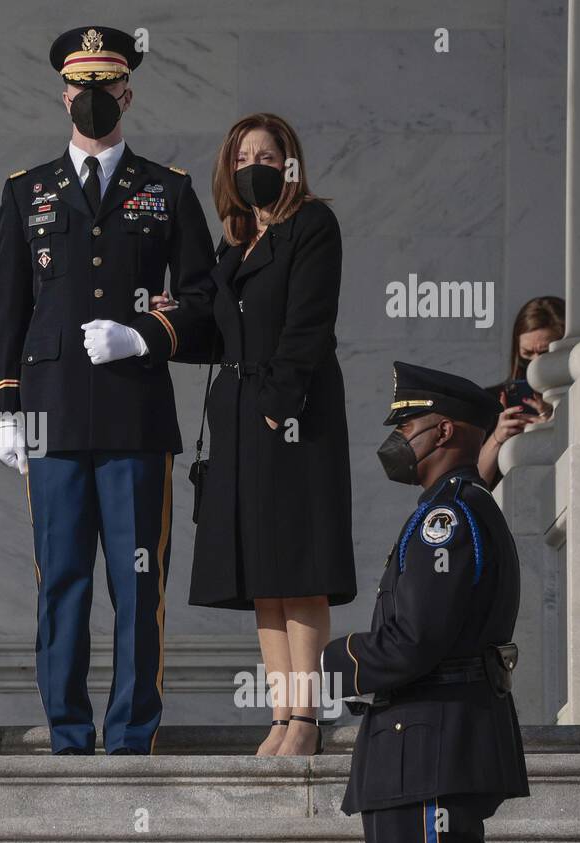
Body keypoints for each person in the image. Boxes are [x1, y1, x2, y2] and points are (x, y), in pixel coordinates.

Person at [0, 26, 216, 755]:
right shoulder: (27, 192)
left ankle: (129, 735)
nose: (92, 99)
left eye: (105, 87)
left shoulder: (168, 190)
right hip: (52, 415)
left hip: (136, 416)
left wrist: (146, 332)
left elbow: (205, 301)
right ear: (64, 94)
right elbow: (8, 305)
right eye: (80, 88)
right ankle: (67, 733)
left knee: (137, 586)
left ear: (127, 91)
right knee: (60, 583)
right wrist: (3, 404)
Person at [157, 113, 356, 756]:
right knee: (263, 579)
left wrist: (277, 406)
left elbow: (308, 324)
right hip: (239, 422)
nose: (255, 165)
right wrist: (173, 324)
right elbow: (223, 335)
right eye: (243, 156)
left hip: (292, 417)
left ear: (290, 163)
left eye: (268, 155)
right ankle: (279, 714)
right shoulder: (234, 243)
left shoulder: (312, 225)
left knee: (300, 570)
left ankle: (306, 719)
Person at [322, 361, 529, 843]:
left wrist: (331, 660)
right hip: (421, 752)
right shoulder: (453, 506)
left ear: (444, 431)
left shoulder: (448, 517)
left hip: (428, 755)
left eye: (406, 427)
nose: (397, 439)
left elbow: (416, 639)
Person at [479, 295, 565, 487]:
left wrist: (551, 425)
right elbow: (474, 483)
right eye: (527, 354)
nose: (535, 363)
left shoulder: (576, 394)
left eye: (544, 353)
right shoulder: (493, 401)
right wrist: (497, 437)